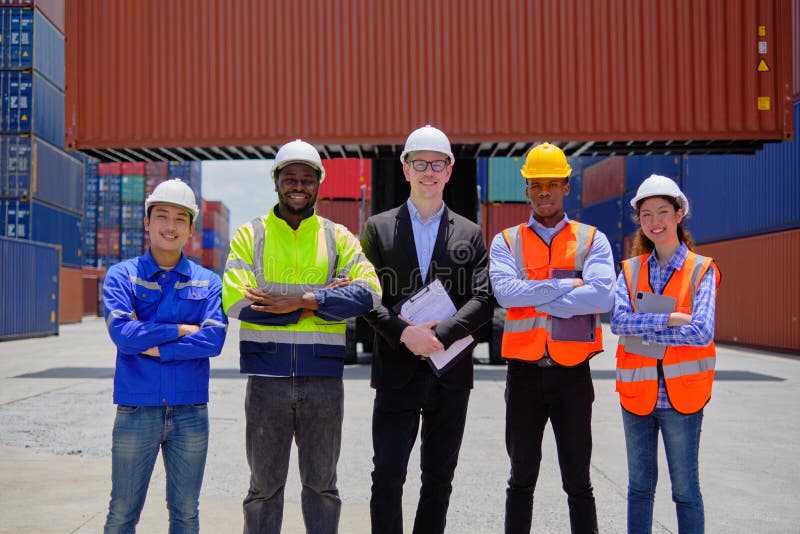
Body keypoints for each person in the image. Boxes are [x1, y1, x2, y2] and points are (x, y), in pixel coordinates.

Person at [222, 139, 381, 533]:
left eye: (306, 179)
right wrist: (326, 299)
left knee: (323, 486)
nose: (298, 185)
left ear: (318, 185)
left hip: (324, 383)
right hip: (266, 382)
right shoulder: (250, 235)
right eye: (289, 177)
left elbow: (369, 293)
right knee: (262, 490)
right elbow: (236, 302)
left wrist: (298, 301)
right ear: (275, 181)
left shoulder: (338, 237)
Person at [361, 125, 493, 534]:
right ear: (405, 169)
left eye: (438, 164)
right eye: (420, 164)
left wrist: (443, 333)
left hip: (450, 375)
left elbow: (484, 297)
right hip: (396, 372)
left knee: (438, 479)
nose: (429, 172)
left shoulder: (469, 232)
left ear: (450, 171)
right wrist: (404, 333)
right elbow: (366, 298)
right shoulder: (378, 228)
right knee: (386, 476)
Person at [488, 143, 615, 534]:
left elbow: (603, 296)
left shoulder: (593, 239)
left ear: (566, 187)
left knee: (578, 480)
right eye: (536, 183)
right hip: (523, 375)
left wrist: (537, 293)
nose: (544, 191)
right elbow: (506, 294)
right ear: (526, 188)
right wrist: (568, 286)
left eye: (552, 183)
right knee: (520, 478)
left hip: (573, 375)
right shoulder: (506, 241)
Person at [102, 178, 228, 533]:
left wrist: (150, 342)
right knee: (123, 511)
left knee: (186, 513)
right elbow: (122, 336)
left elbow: (213, 341)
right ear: (147, 221)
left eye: (179, 219)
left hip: (190, 412)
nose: (169, 227)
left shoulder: (208, 281)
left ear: (190, 227)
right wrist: (180, 329)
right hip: (136, 409)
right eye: (161, 216)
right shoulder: (121, 276)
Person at [611, 174, 720, 534]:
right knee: (639, 490)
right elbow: (618, 323)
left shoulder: (700, 269)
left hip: (682, 398)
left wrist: (643, 323)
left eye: (662, 212)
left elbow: (701, 331)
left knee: (686, 492)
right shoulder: (630, 270)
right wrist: (668, 319)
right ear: (639, 221)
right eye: (646, 215)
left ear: (679, 214)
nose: (655, 222)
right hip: (637, 396)